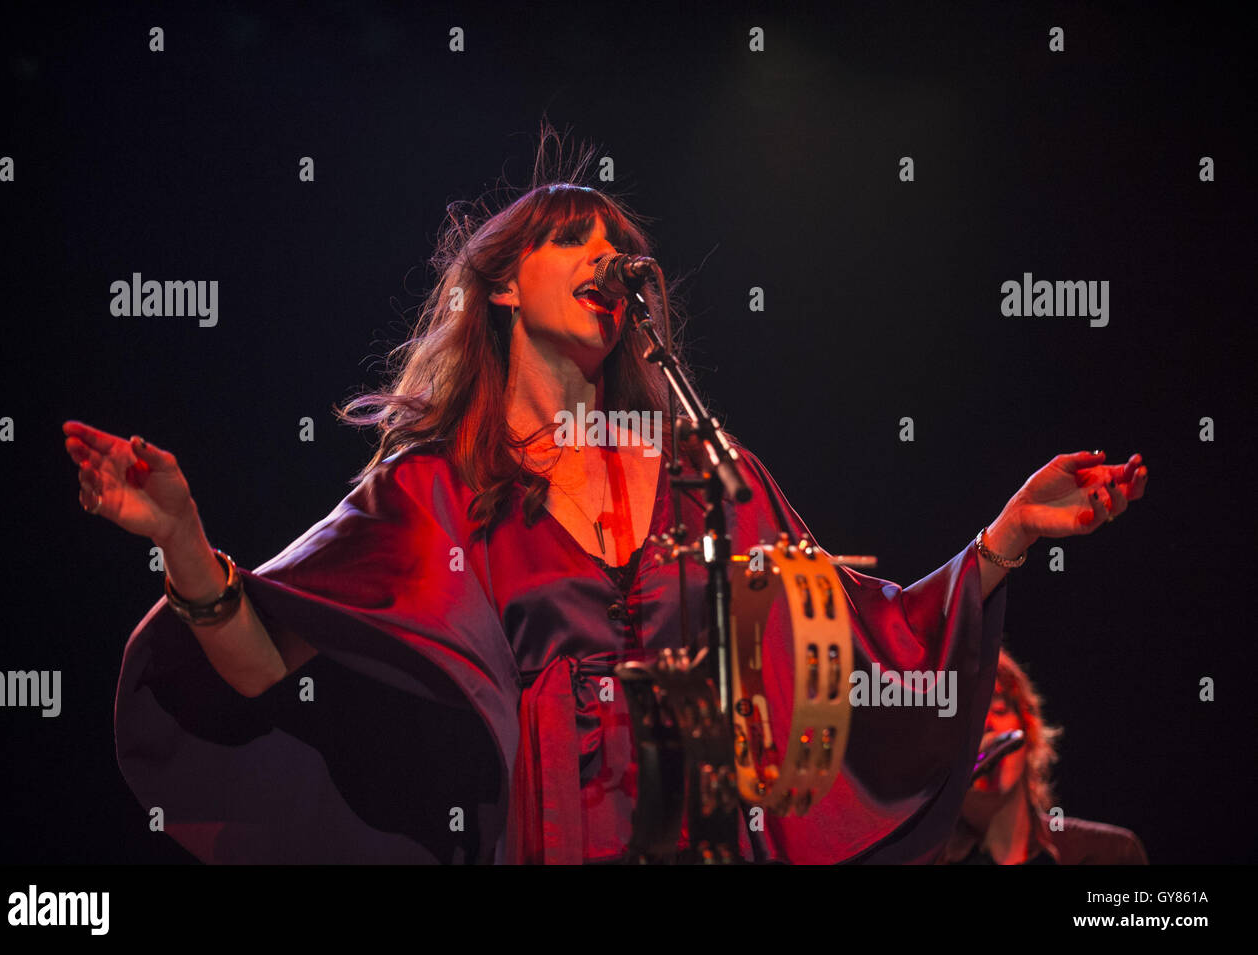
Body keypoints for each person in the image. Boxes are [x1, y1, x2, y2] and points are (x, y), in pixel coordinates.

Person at [62, 127, 1149, 864]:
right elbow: (256, 659)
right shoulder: (435, 485)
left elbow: (862, 642)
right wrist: (181, 533)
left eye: (622, 246)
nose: (609, 255)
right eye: (574, 238)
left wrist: (1005, 539)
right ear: (498, 284)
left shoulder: (701, 467)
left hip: (712, 825)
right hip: (552, 825)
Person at [936, 648, 1149, 864]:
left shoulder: (1109, 853)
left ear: (1028, 730)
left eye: (999, 708)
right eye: (964, 719)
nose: (985, 725)